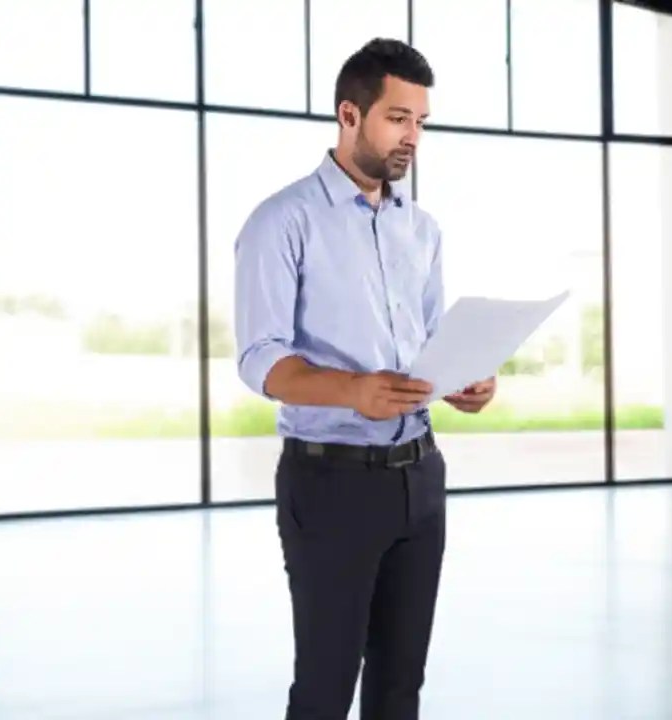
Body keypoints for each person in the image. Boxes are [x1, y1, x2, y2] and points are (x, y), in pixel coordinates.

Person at [233, 38, 496, 720]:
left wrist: (464, 381)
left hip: (420, 477)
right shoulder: (282, 221)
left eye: (421, 122)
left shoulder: (423, 229)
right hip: (331, 485)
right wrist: (353, 391)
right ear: (350, 115)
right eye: (398, 118)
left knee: (399, 687)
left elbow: (430, 343)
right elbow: (260, 358)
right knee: (323, 688)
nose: (413, 137)